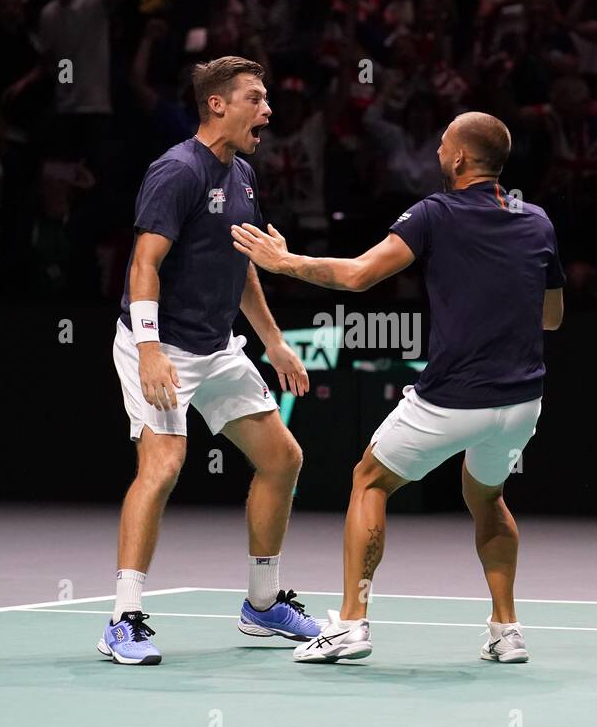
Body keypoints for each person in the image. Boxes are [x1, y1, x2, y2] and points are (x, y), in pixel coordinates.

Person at [231, 112, 565, 664]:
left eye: (442, 142)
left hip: (452, 399)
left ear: (459, 159)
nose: (437, 150)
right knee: (487, 497)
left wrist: (284, 262)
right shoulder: (538, 220)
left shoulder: (435, 213)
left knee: (369, 480)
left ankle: (352, 624)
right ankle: (506, 631)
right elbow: (551, 318)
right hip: (521, 403)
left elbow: (359, 275)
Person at [102, 56, 318, 665]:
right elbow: (143, 264)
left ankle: (263, 603)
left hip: (216, 345)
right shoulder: (176, 171)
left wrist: (273, 340)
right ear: (217, 104)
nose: (268, 110)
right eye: (256, 98)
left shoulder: (243, 174)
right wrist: (147, 349)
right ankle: (123, 617)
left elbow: (241, 262)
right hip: (159, 342)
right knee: (164, 463)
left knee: (282, 458)